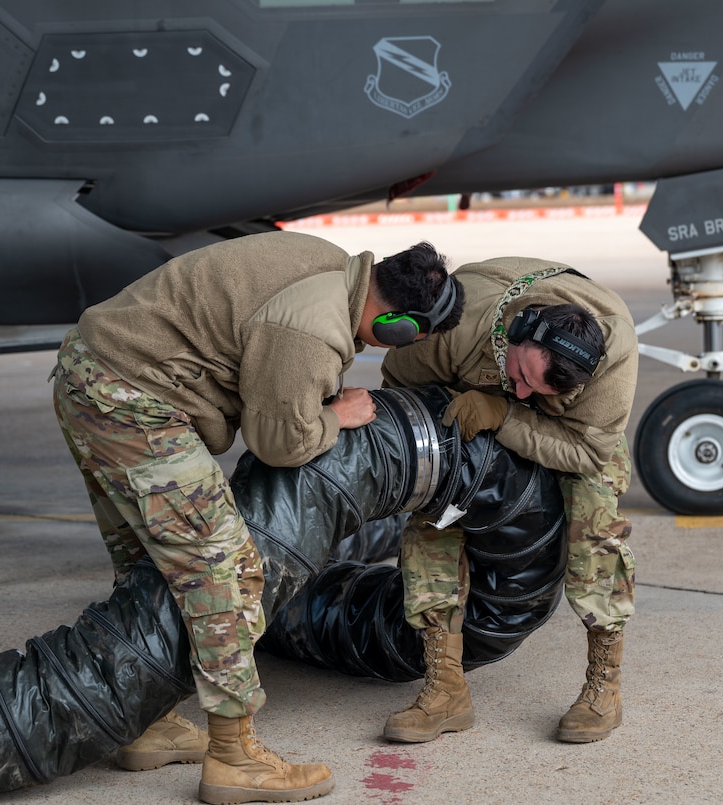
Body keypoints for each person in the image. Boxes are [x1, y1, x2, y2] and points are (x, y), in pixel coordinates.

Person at [50, 231, 463, 804]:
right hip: (134, 400)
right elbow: (278, 444)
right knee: (226, 568)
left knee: (147, 559)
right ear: (398, 326)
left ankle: (142, 719)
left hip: (92, 373)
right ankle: (234, 756)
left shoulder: (331, 268)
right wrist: (338, 417)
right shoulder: (313, 328)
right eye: (414, 338)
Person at [378, 257, 638, 745]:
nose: (522, 390)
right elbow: (399, 393)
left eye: (535, 388)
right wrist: (445, 446)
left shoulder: (615, 350)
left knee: (596, 521)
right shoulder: (454, 329)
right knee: (433, 518)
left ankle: (604, 688)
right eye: (519, 374)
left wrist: (507, 413)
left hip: (570, 432)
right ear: (517, 332)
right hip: (467, 398)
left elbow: (589, 451)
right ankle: (445, 689)